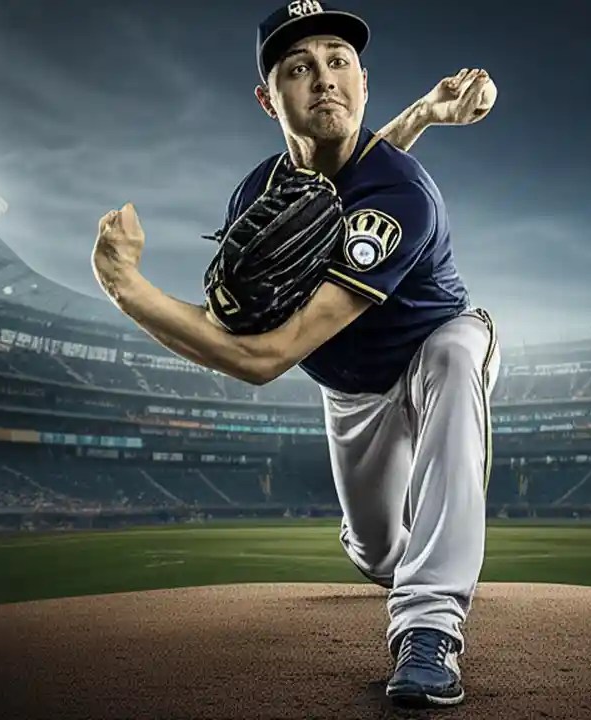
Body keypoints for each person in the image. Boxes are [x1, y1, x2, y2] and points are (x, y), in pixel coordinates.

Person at [92, 2, 499, 708]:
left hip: (432, 345)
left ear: (364, 83)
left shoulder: (404, 193)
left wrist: (128, 288)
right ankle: (379, 548)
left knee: (455, 356)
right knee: (379, 553)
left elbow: (265, 358)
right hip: (351, 390)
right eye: (299, 68)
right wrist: (424, 114)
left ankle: (429, 626)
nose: (324, 79)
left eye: (339, 61)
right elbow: (236, 328)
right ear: (268, 98)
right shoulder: (257, 193)